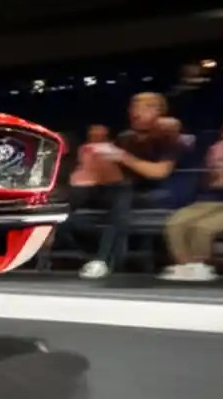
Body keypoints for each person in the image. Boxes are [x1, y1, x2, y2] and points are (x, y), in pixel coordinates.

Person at [64, 92, 183, 279]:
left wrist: (124, 158)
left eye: (146, 107)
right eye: (134, 107)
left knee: (121, 194)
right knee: (73, 206)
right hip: (118, 189)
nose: (137, 112)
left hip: (154, 193)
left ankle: (104, 260)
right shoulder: (126, 137)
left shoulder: (168, 137)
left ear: (160, 112)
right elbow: (114, 172)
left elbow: (159, 172)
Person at [160, 114, 223, 281]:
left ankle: (200, 266)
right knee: (175, 223)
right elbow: (211, 180)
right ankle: (184, 265)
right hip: (215, 198)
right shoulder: (218, 149)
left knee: (203, 228)